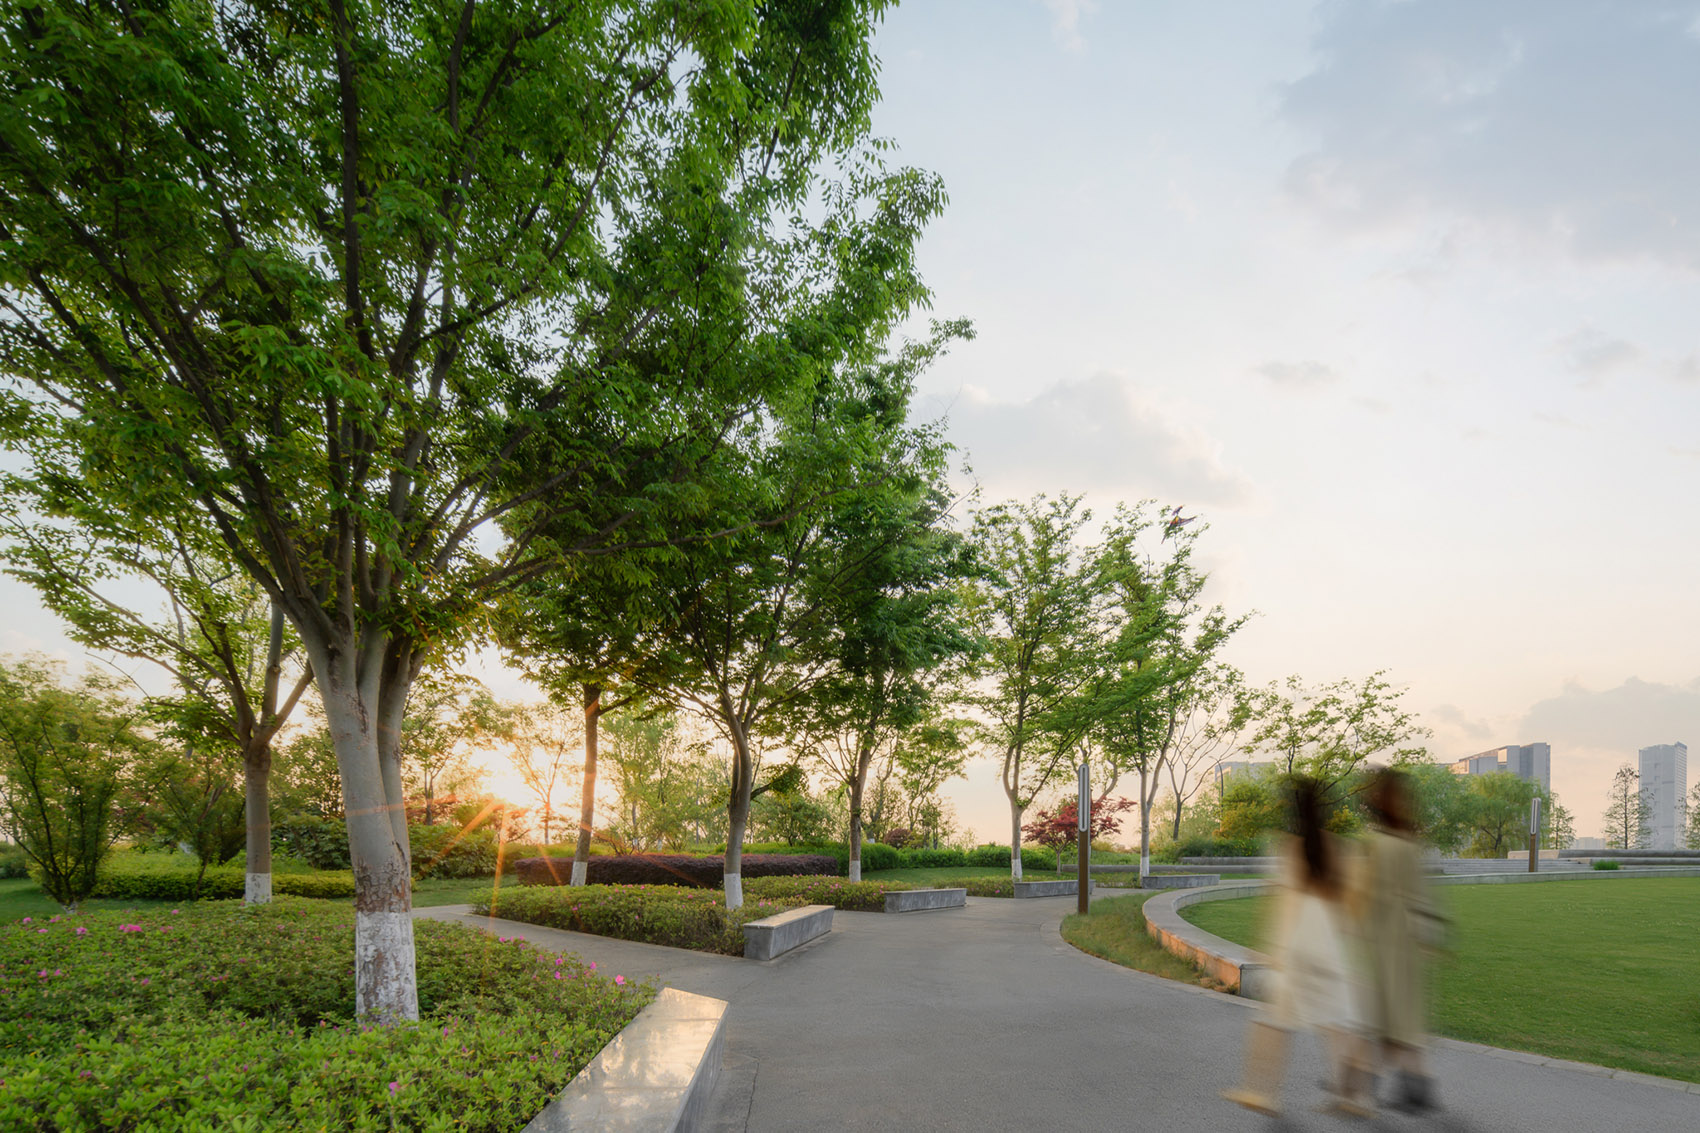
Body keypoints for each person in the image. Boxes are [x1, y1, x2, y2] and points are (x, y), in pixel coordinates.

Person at [1222, 777, 1373, 1118]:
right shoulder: (1339, 849)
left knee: (1275, 1021)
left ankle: (1262, 1092)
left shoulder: (1290, 848)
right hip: (1328, 944)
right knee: (1341, 1023)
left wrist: (1268, 949)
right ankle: (1355, 1097)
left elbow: (1282, 906)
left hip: (1297, 945)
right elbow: (1353, 903)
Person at [1354, 767, 1443, 1113]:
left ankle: (1363, 1085)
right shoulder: (1406, 842)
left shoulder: (1379, 845)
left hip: (1383, 942)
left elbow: (1365, 897)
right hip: (1406, 941)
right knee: (1398, 1018)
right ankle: (1413, 1087)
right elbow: (1419, 894)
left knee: (1380, 1016)